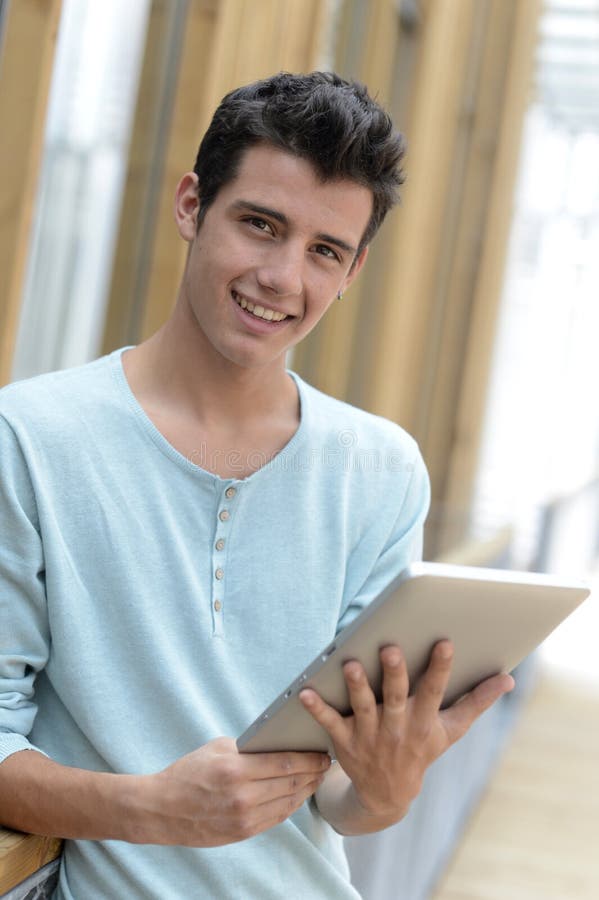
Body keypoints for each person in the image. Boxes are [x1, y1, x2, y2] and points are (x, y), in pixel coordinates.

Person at [0, 72, 513, 899]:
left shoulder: (379, 470)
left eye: (323, 251)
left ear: (353, 271)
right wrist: (149, 810)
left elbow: (349, 804)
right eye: (259, 225)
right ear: (190, 205)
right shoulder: (29, 438)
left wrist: (389, 781)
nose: (281, 277)